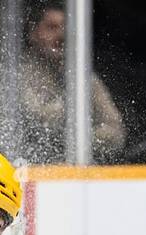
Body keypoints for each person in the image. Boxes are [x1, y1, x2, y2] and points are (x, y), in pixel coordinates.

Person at [19, 0, 125, 162]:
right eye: (52, 27)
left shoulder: (82, 77)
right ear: (32, 33)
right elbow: (40, 121)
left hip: (75, 170)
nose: (61, 36)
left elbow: (115, 131)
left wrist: (85, 138)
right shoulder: (18, 75)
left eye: (64, 28)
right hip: (30, 167)